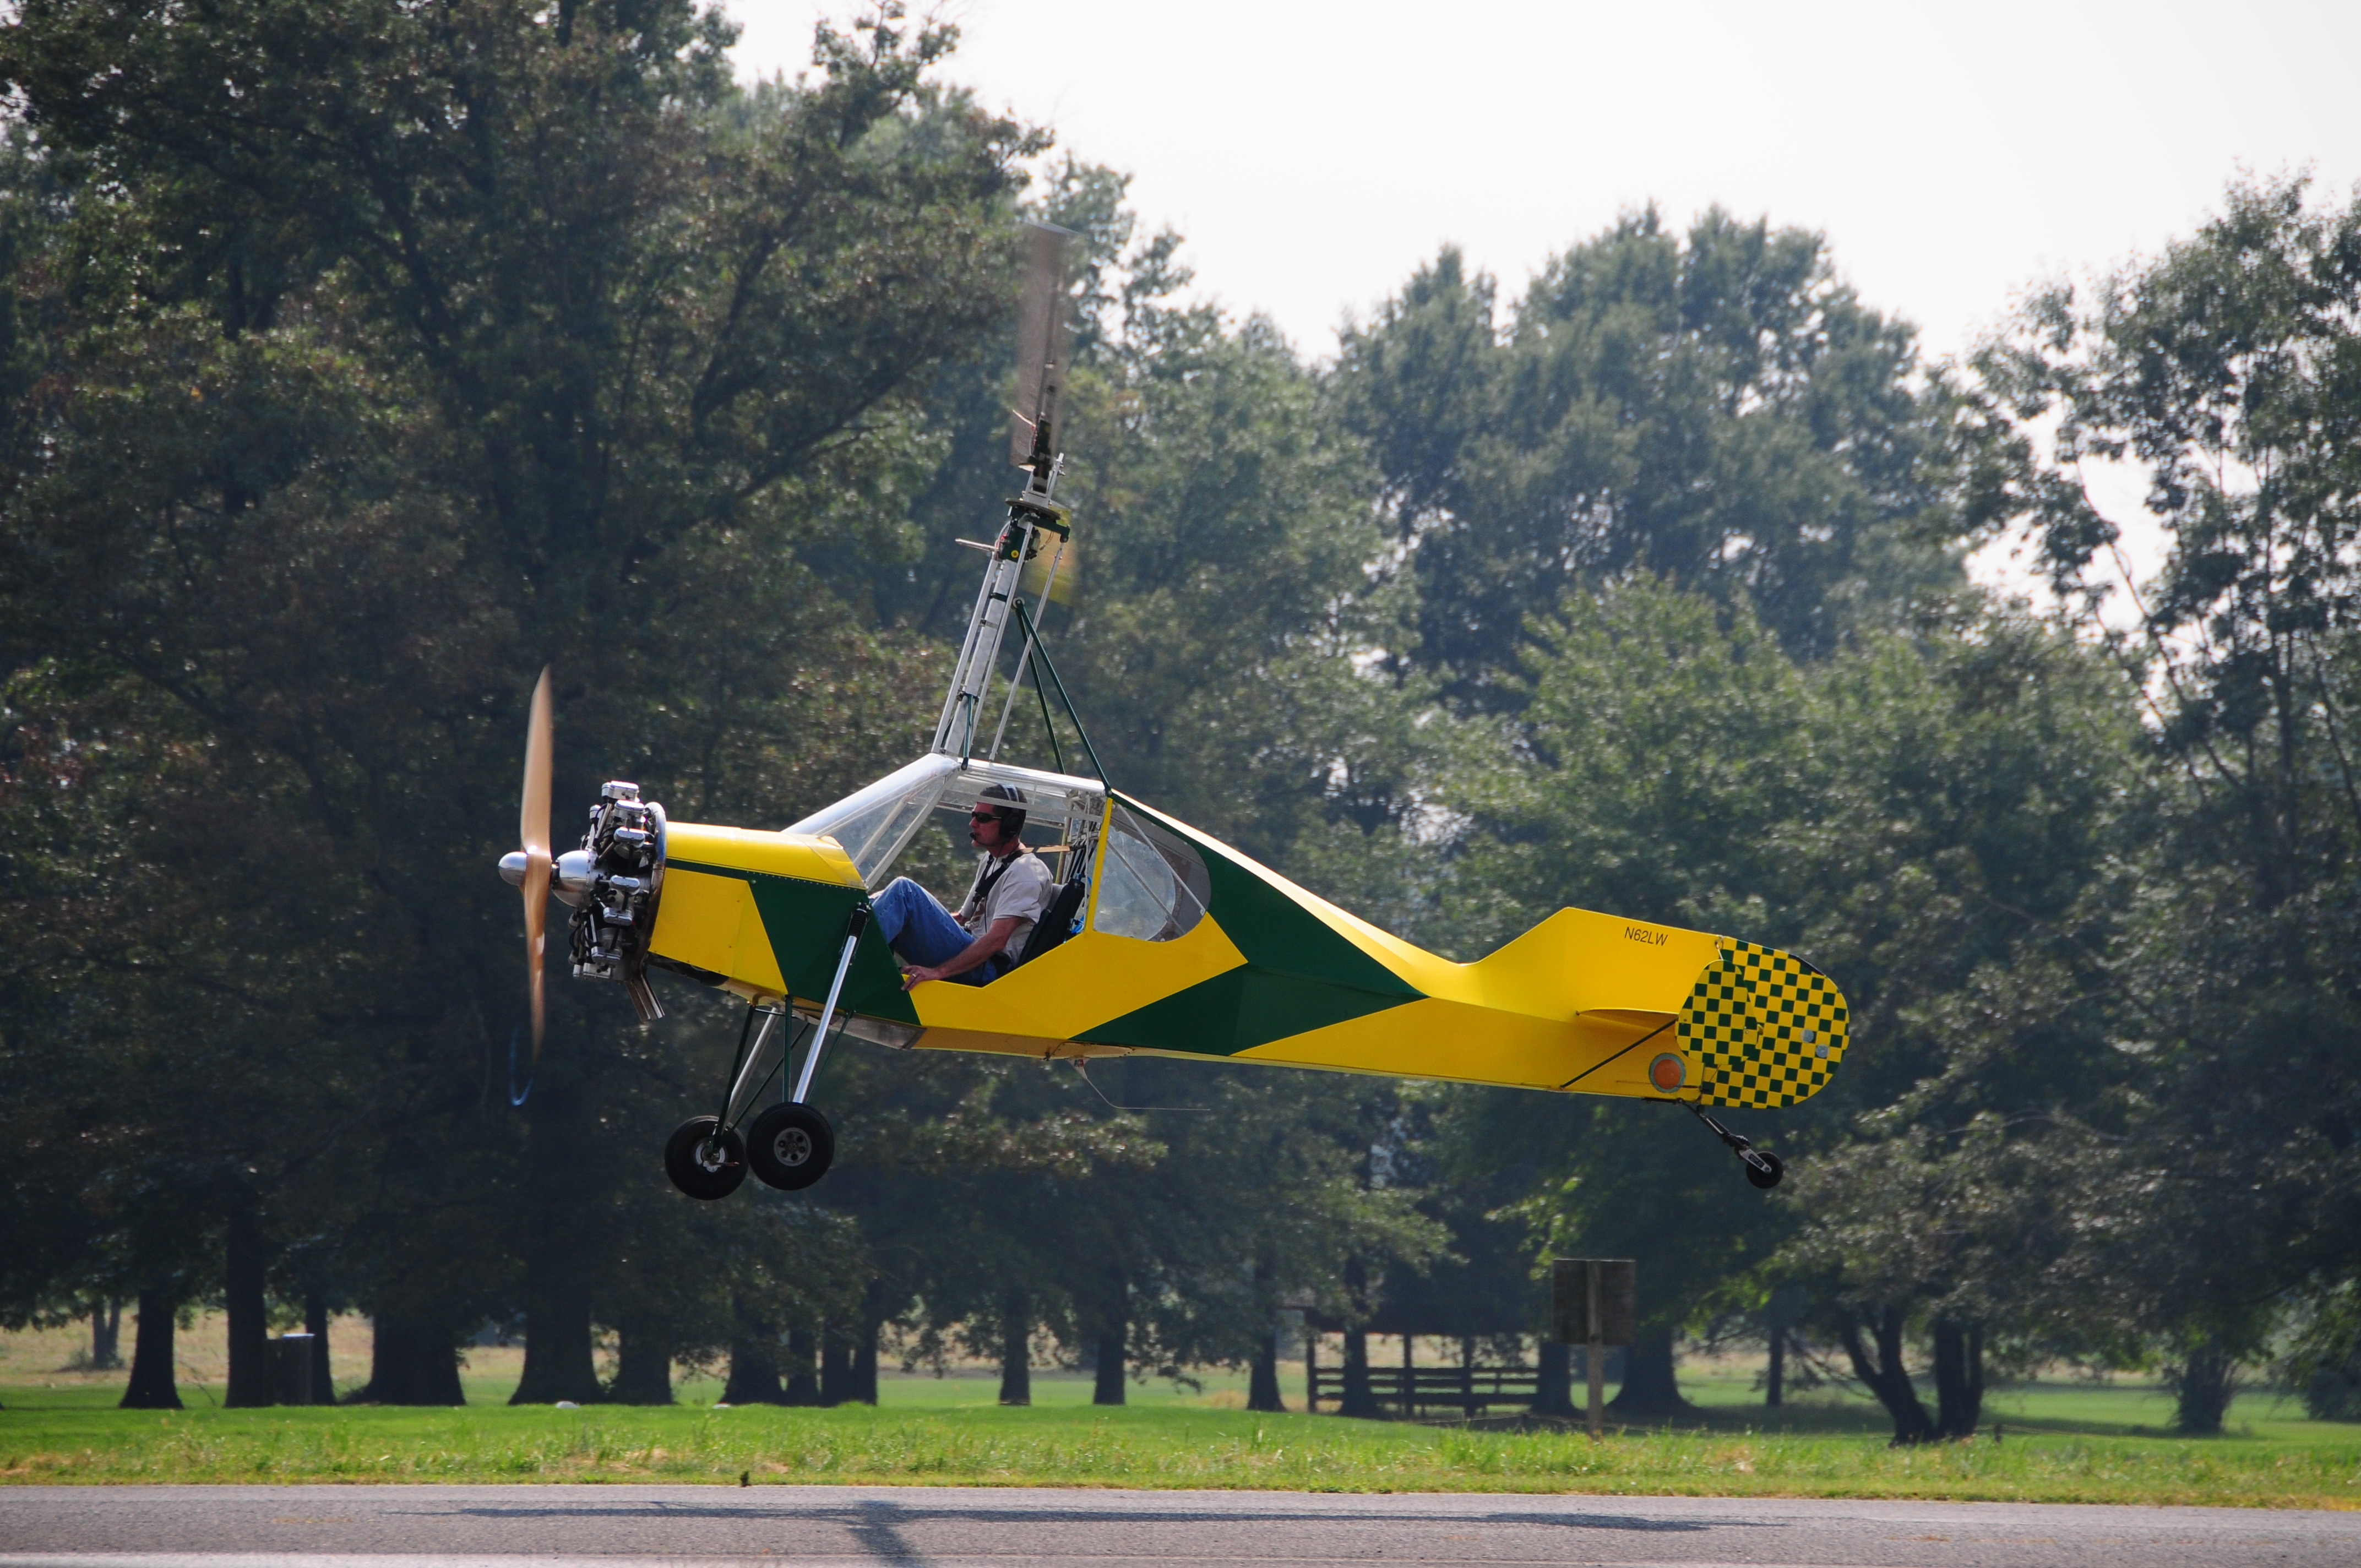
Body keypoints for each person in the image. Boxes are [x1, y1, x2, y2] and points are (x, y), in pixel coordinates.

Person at [872, 785, 1053, 988]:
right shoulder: (991, 860)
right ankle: (851, 967)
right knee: (879, 899)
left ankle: (847, 970)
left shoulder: (1026, 871)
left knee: (904, 892)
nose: (973, 823)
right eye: (974, 815)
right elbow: (963, 919)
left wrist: (938, 972)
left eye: (983, 818)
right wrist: (913, 914)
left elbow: (997, 940)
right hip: (970, 949)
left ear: (1010, 825)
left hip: (988, 969)